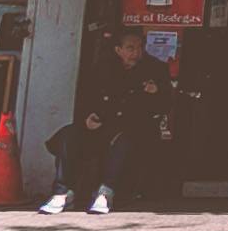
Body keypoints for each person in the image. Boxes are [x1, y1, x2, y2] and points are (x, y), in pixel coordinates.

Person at [42, 28, 153, 214]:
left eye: (140, 48)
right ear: (118, 50)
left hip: (127, 129)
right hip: (99, 125)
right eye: (130, 48)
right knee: (69, 135)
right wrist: (88, 118)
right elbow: (88, 99)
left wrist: (154, 93)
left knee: (123, 141)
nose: (136, 53)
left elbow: (158, 106)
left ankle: (105, 191)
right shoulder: (103, 70)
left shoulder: (150, 70)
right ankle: (62, 192)